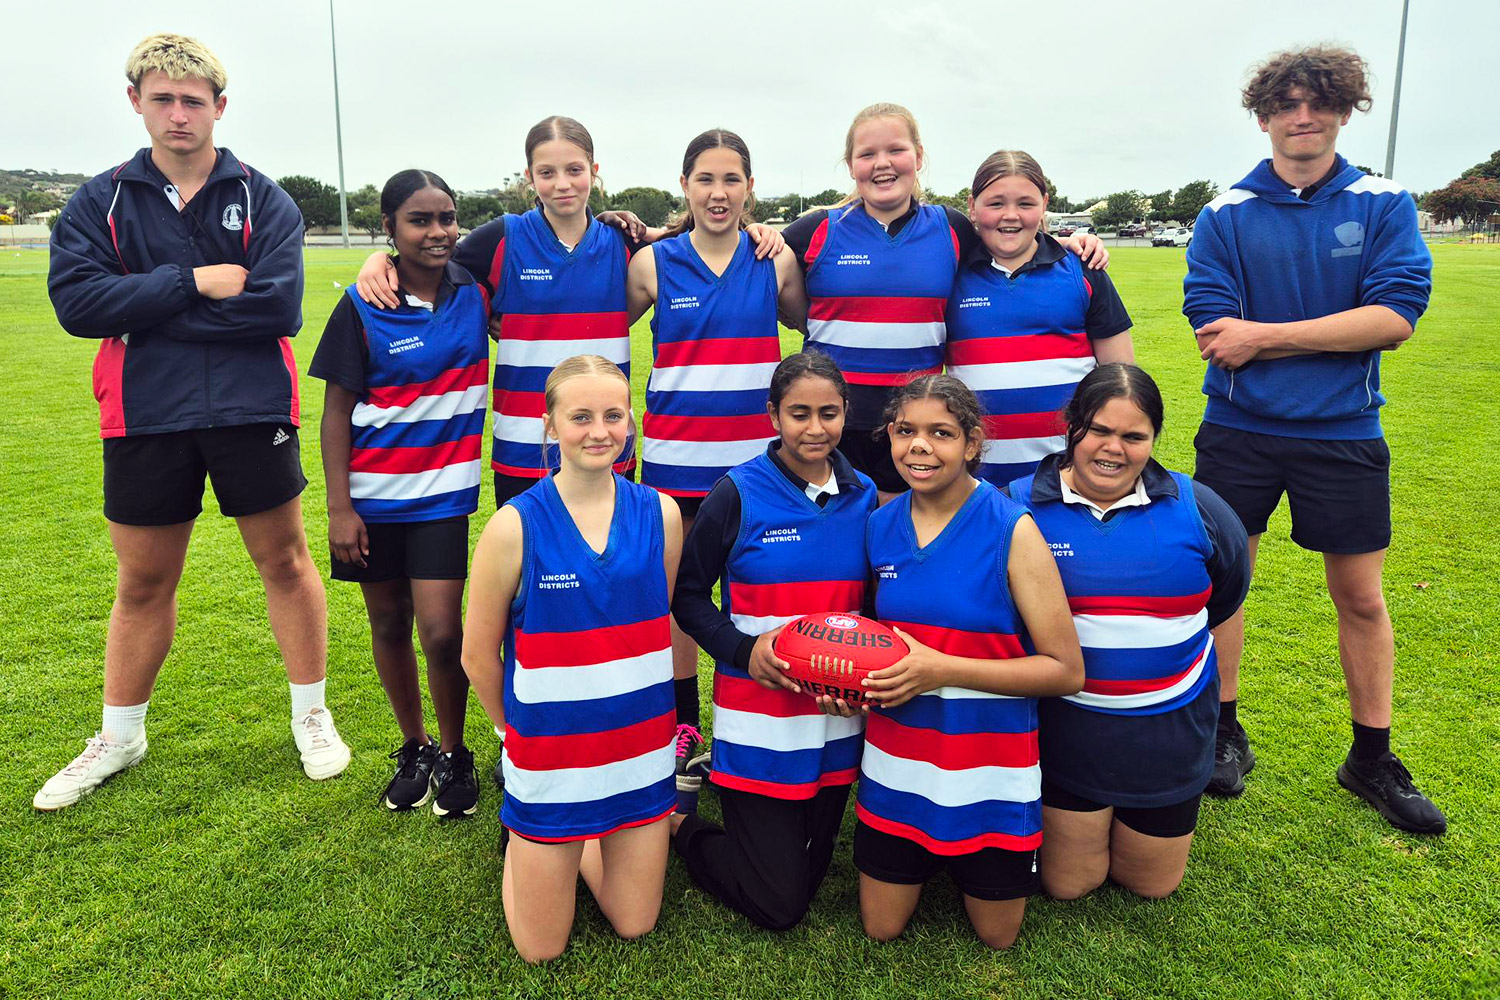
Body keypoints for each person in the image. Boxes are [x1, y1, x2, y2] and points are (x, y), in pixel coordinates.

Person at [357, 118, 783, 788]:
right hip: (525, 453)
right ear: (529, 177)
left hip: (608, 453)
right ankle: (520, 726)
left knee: (617, 593)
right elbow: (431, 263)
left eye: (575, 169)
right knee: (528, 599)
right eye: (548, 171)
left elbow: (695, 249)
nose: (562, 182)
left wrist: (765, 231)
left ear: (595, 171)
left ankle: (635, 721)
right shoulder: (501, 239)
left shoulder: (623, 242)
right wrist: (379, 259)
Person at [36, 33, 347, 811]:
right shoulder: (99, 200)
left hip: (251, 408)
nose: (179, 114)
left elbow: (276, 307)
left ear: (219, 107)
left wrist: (145, 306)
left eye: (193, 100)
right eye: (163, 98)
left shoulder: (264, 195)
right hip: (144, 413)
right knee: (143, 580)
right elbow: (77, 306)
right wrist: (193, 282)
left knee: (285, 561)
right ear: (136, 100)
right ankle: (121, 734)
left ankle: (311, 714)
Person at [1184, 46, 1443, 834]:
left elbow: (1393, 319)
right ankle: (1223, 735)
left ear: (1344, 109)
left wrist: (1266, 335)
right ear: (1263, 117)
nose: (1304, 117)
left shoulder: (1382, 203)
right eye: (1287, 105)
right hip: (1238, 431)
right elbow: (1215, 334)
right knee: (1224, 588)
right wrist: (1287, 338)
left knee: (1360, 597)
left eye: (1319, 103)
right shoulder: (1224, 212)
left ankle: (1370, 757)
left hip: (1344, 432)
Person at [460, 355, 684, 962]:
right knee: (541, 950)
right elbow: (478, 655)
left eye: (613, 415)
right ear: (550, 426)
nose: (598, 431)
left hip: (638, 747)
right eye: (580, 416)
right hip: (551, 755)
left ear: (631, 422)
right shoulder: (514, 526)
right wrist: (513, 733)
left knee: (635, 923)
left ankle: (585, 838)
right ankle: (526, 833)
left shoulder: (660, 514)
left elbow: (653, 615)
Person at [779, 104, 1108, 501]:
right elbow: (761, 267)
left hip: (914, 423)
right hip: (830, 424)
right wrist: (760, 233)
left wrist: (1069, 243)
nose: (882, 164)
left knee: (900, 537)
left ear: (918, 157)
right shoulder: (818, 228)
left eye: (896, 150)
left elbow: (1008, 237)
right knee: (833, 534)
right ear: (851, 165)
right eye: (867, 154)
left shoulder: (949, 228)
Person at [856, 375, 1083, 949]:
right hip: (898, 766)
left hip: (990, 774)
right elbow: (868, 643)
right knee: (881, 929)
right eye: (905, 431)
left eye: (942, 433)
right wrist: (847, 684)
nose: (920, 447)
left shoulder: (1013, 528)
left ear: (973, 443)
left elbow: (1065, 669)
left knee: (998, 937)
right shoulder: (879, 525)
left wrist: (944, 669)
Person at [1008, 364, 1249, 899]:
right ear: (1071, 426)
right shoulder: (1017, 506)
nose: (1113, 448)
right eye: (1098, 430)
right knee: (1070, 884)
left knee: (1151, 885)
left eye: (1133, 436)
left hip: (1169, 734)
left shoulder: (1199, 508)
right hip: (1067, 732)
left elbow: (1226, 596)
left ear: (1153, 440)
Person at [625, 128, 808, 812]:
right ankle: (681, 724)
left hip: (759, 467)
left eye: (732, 179)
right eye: (705, 179)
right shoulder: (652, 263)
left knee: (756, 591)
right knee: (681, 596)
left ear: (750, 188)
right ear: (685, 186)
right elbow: (593, 323)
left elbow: (810, 321)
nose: (718, 192)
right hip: (676, 462)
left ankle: (750, 723)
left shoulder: (775, 258)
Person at [670, 351, 874, 930]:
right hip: (759, 719)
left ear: (845, 414)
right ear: (772, 416)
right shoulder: (737, 495)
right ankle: (683, 826)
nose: (815, 428)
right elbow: (687, 597)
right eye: (798, 413)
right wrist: (742, 650)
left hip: (836, 719)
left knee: (807, 876)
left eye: (828, 413)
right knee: (779, 905)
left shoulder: (864, 496)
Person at [311, 170, 486, 815]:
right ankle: (412, 747)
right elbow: (336, 411)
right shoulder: (361, 304)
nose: (437, 232)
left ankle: (454, 749)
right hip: (372, 500)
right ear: (389, 229)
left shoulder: (475, 292)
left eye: (447, 218)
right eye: (419, 220)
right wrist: (339, 508)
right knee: (388, 621)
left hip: (444, 498)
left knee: (443, 634)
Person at [947, 150, 1134, 487]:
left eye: (1025, 203)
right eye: (996, 203)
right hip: (977, 482)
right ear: (972, 206)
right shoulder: (949, 274)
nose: (1011, 216)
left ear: (1044, 204)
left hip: (1067, 479)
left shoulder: (1083, 270)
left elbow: (1121, 378)